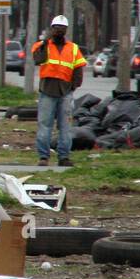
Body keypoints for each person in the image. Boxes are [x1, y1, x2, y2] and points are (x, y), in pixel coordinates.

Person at [30, 14, 87, 167]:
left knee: (65, 126)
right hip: (47, 90)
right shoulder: (43, 45)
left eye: (62, 28)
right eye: (57, 28)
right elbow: (38, 59)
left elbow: (78, 68)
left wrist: (74, 85)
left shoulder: (73, 48)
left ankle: (64, 157)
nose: (59, 31)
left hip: (65, 91)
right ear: (52, 29)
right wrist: (45, 41)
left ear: (66, 30)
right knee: (45, 125)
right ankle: (43, 157)